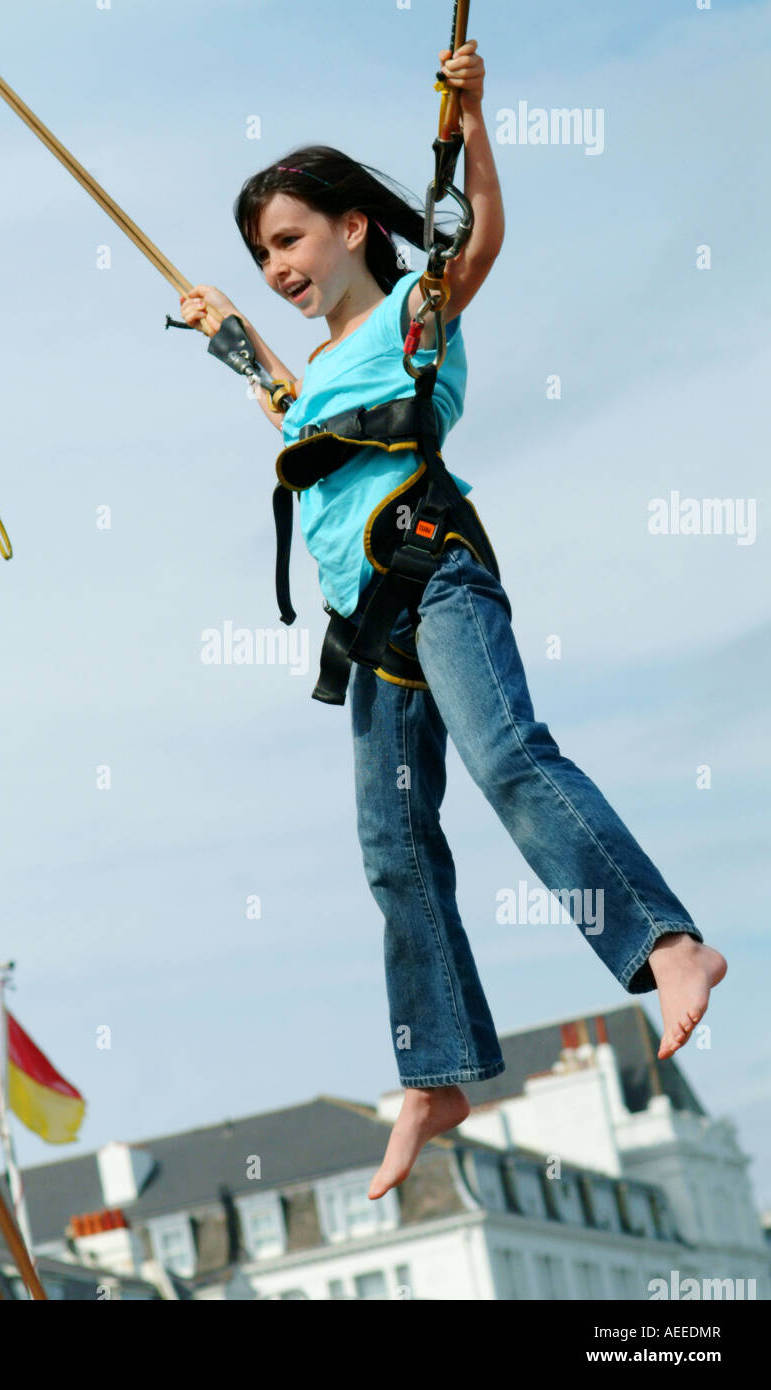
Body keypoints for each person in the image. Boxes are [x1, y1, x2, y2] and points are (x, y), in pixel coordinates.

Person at [178, 39, 726, 1200]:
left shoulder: (414, 318)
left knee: (511, 762)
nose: (276, 265)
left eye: (287, 240)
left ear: (353, 228)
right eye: (260, 253)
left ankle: (667, 942)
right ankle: (437, 1072)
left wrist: (473, 122)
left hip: (437, 579)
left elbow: (476, 238)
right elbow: (287, 403)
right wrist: (226, 329)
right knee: (393, 849)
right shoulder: (325, 362)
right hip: (369, 628)